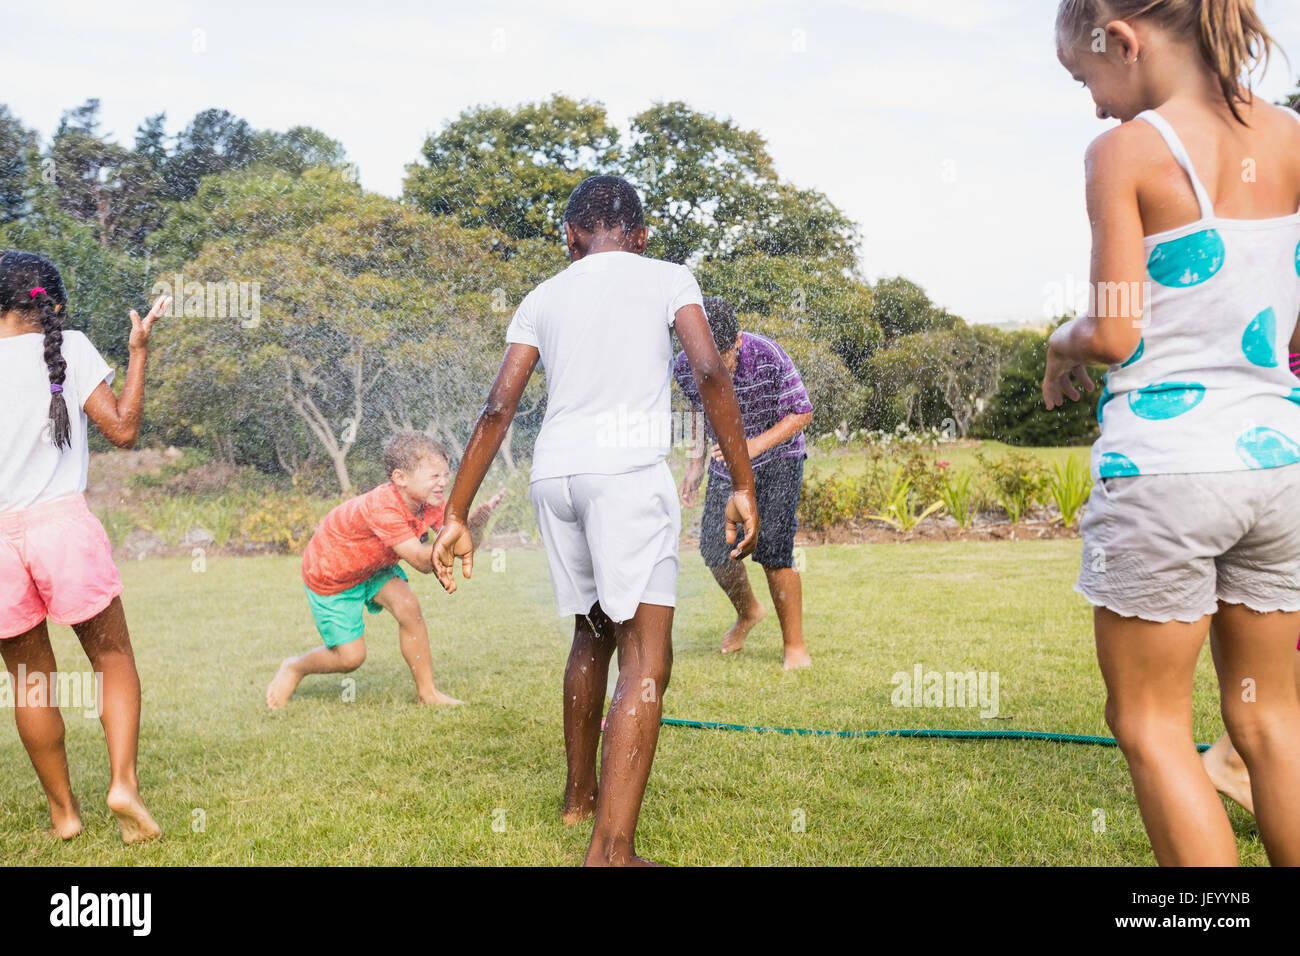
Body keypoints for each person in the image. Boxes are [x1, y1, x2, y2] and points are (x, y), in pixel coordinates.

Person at [431, 175, 758, 866]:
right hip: (625, 476)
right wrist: (743, 480)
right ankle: (611, 852)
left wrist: (455, 511)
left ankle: (579, 798)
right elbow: (708, 370)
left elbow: (497, 406)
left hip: (556, 476)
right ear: (640, 235)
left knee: (591, 633)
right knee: (646, 657)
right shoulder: (668, 275)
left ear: (571, 238)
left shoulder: (542, 295)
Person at [1048, 0, 1300, 865]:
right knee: (1271, 716)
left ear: (1121, 40)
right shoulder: (1293, 139)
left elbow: (1115, 330)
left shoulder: (1126, 151)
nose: (1093, 104)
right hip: (1275, 466)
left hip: (1167, 471)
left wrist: (1058, 345)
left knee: (1151, 723)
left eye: (1086, 78)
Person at [0, 250, 167, 843]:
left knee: (31, 683)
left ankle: (64, 815)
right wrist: (139, 352)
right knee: (113, 659)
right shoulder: (69, 346)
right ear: (54, 305)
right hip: (61, 529)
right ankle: (122, 784)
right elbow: (123, 430)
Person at [266, 431, 501, 709]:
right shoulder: (383, 507)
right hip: (331, 575)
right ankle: (295, 667)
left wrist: (473, 527)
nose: (443, 483)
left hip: (374, 568)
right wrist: (454, 535)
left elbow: (459, 549)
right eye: (434, 476)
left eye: (445, 474)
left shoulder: (431, 504)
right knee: (350, 658)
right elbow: (421, 561)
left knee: (408, 607)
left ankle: (428, 694)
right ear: (400, 478)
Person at [675, 297, 813, 669]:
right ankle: (749, 611)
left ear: (737, 340)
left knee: (773, 550)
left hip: (779, 459)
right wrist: (695, 462)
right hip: (726, 468)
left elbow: (802, 413)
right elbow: (698, 412)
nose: (717, 370)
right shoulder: (686, 364)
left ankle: (795, 647)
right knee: (715, 549)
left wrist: (751, 446)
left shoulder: (767, 354)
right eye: (709, 362)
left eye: (725, 359)